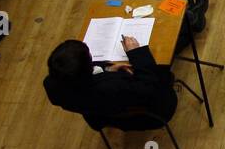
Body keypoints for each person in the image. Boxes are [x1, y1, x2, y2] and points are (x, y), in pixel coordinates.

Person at [43, 35, 177, 128]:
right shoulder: (113, 87)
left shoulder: (52, 84)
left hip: (103, 118)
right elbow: (149, 87)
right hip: (155, 113)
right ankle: (191, 22)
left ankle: (191, 21)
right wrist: (136, 52)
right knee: (163, 65)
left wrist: (106, 69)